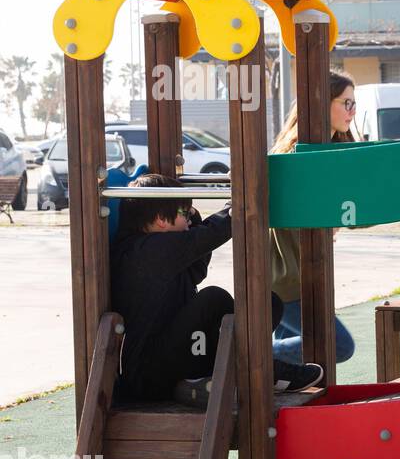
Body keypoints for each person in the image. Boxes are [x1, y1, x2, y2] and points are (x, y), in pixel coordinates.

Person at [110, 173, 323, 405]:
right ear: (161, 218)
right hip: (150, 374)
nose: (188, 221)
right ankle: (263, 370)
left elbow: (198, 261)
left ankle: (213, 378)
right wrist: (237, 203)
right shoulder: (143, 252)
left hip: (179, 353)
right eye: (183, 214)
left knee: (265, 304)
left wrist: (191, 212)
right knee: (213, 299)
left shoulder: (164, 249)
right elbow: (207, 236)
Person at [269, 71, 358, 367]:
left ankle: (268, 373)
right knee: (338, 346)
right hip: (290, 276)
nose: (352, 111)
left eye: (353, 103)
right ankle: (249, 355)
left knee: (292, 361)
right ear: (322, 103)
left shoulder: (328, 151)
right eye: (346, 103)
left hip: (298, 273)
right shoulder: (299, 152)